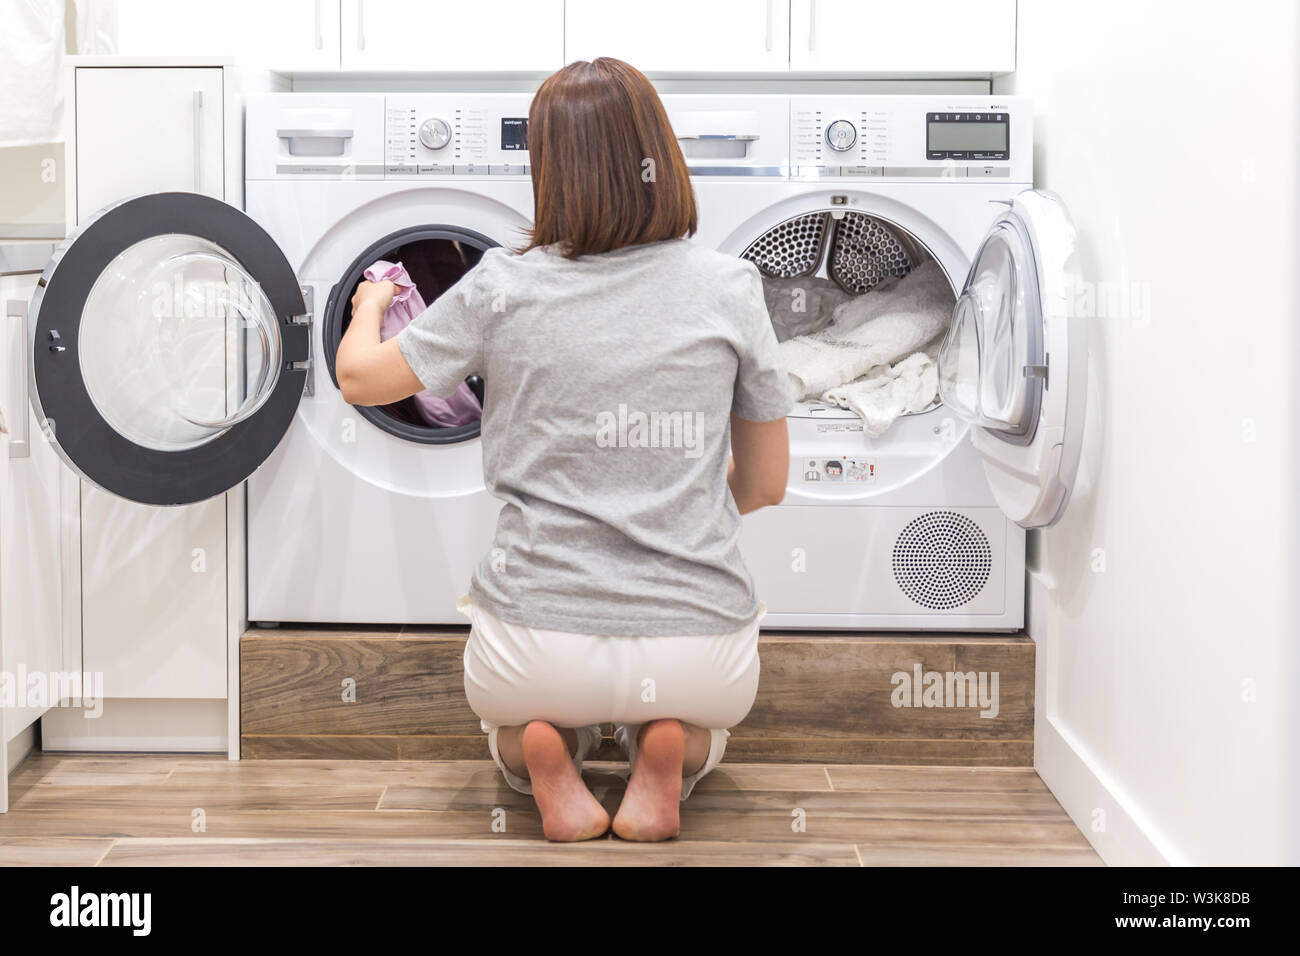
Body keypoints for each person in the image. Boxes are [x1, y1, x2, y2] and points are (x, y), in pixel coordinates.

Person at [336, 58, 791, 842]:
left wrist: (371, 301)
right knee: (698, 720)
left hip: (536, 646)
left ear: (549, 169)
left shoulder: (499, 286)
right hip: (698, 647)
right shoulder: (730, 286)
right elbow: (768, 484)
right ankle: (670, 752)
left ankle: (543, 754)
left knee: (516, 731)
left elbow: (358, 379)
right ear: (661, 158)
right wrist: (679, 494)